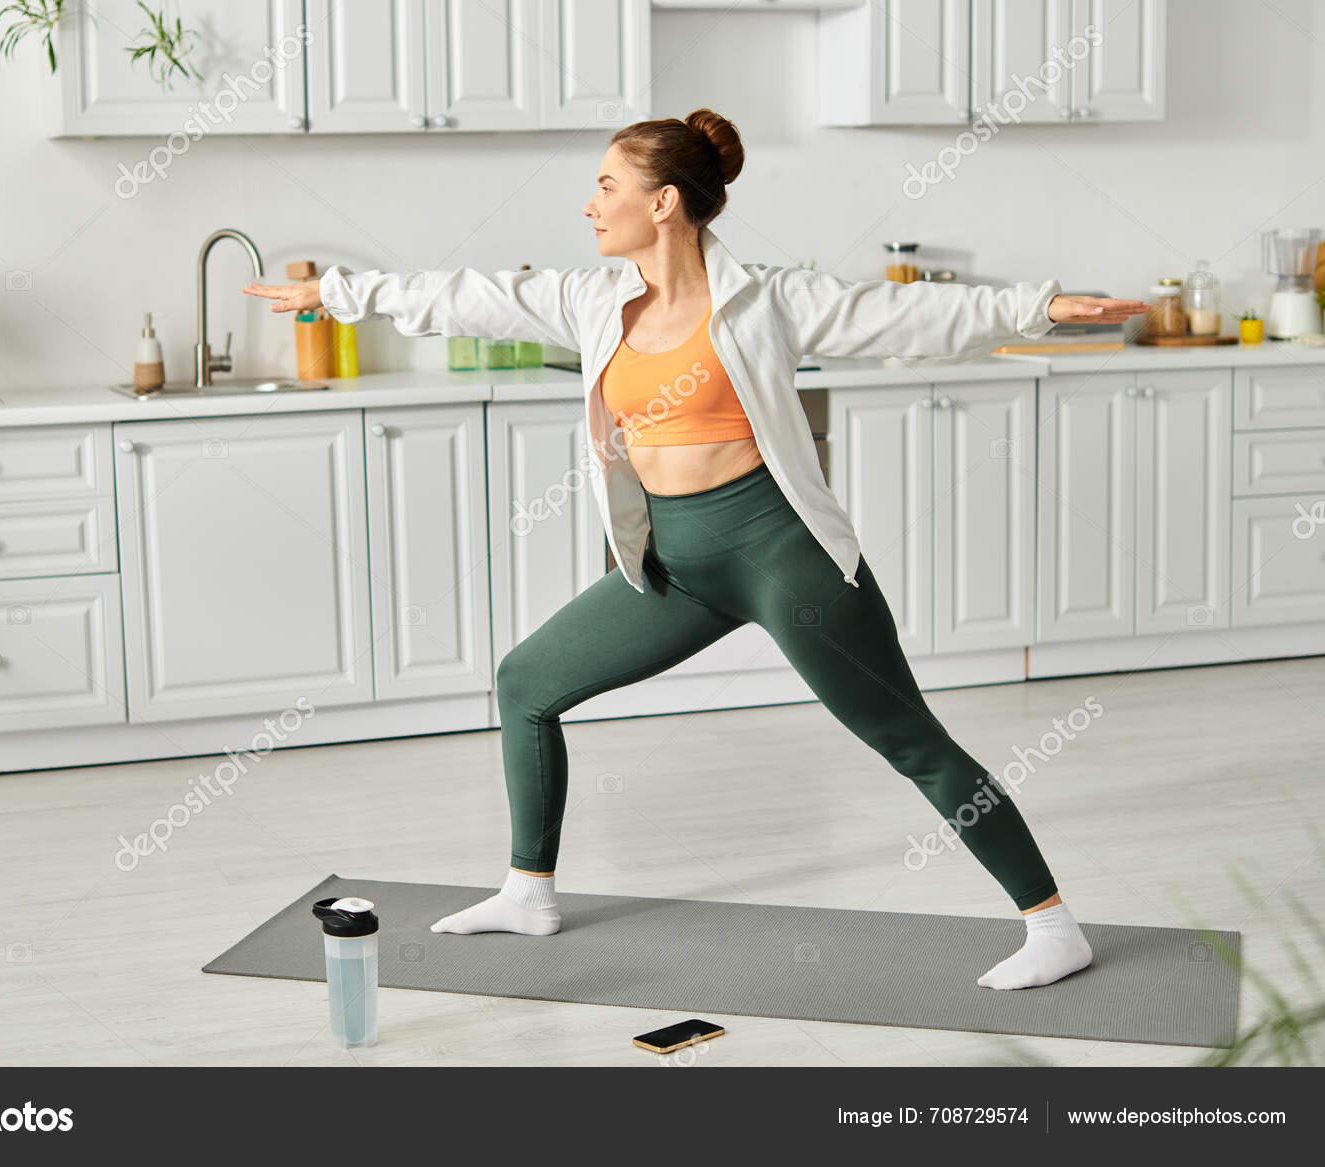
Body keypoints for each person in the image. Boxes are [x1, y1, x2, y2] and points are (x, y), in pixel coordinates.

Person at [244, 109, 1147, 990]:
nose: (591, 205)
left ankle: (1053, 926)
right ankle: (528, 891)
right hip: (673, 566)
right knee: (525, 683)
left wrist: (1042, 305)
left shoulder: (768, 300)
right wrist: (338, 290)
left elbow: (902, 317)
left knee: (909, 738)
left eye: (607, 185)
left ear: (665, 200)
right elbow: (470, 296)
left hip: (781, 554)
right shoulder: (594, 300)